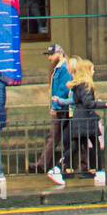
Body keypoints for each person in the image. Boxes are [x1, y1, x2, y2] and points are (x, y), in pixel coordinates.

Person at [52, 58, 107, 187]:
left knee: (81, 146)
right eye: (92, 69)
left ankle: (98, 172)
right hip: (86, 120)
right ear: (87, 70)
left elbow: (76, 101)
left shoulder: (77, 85)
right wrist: (104, 104)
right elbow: (88, 103)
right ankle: (58, 169)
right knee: (88, 146)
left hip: (79, 119)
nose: (94, 71)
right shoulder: (86, 85)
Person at [32, 44, 72, 174]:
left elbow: (62, 90)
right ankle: (48, 164)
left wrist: (55, 106)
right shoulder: (59, 68)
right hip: (61, 107)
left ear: (59, 54)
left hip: (62, 108)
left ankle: (44, 164)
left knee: (57, 136)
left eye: (51, 54)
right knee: (58, 136)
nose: (49, 57)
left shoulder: (64, 68)